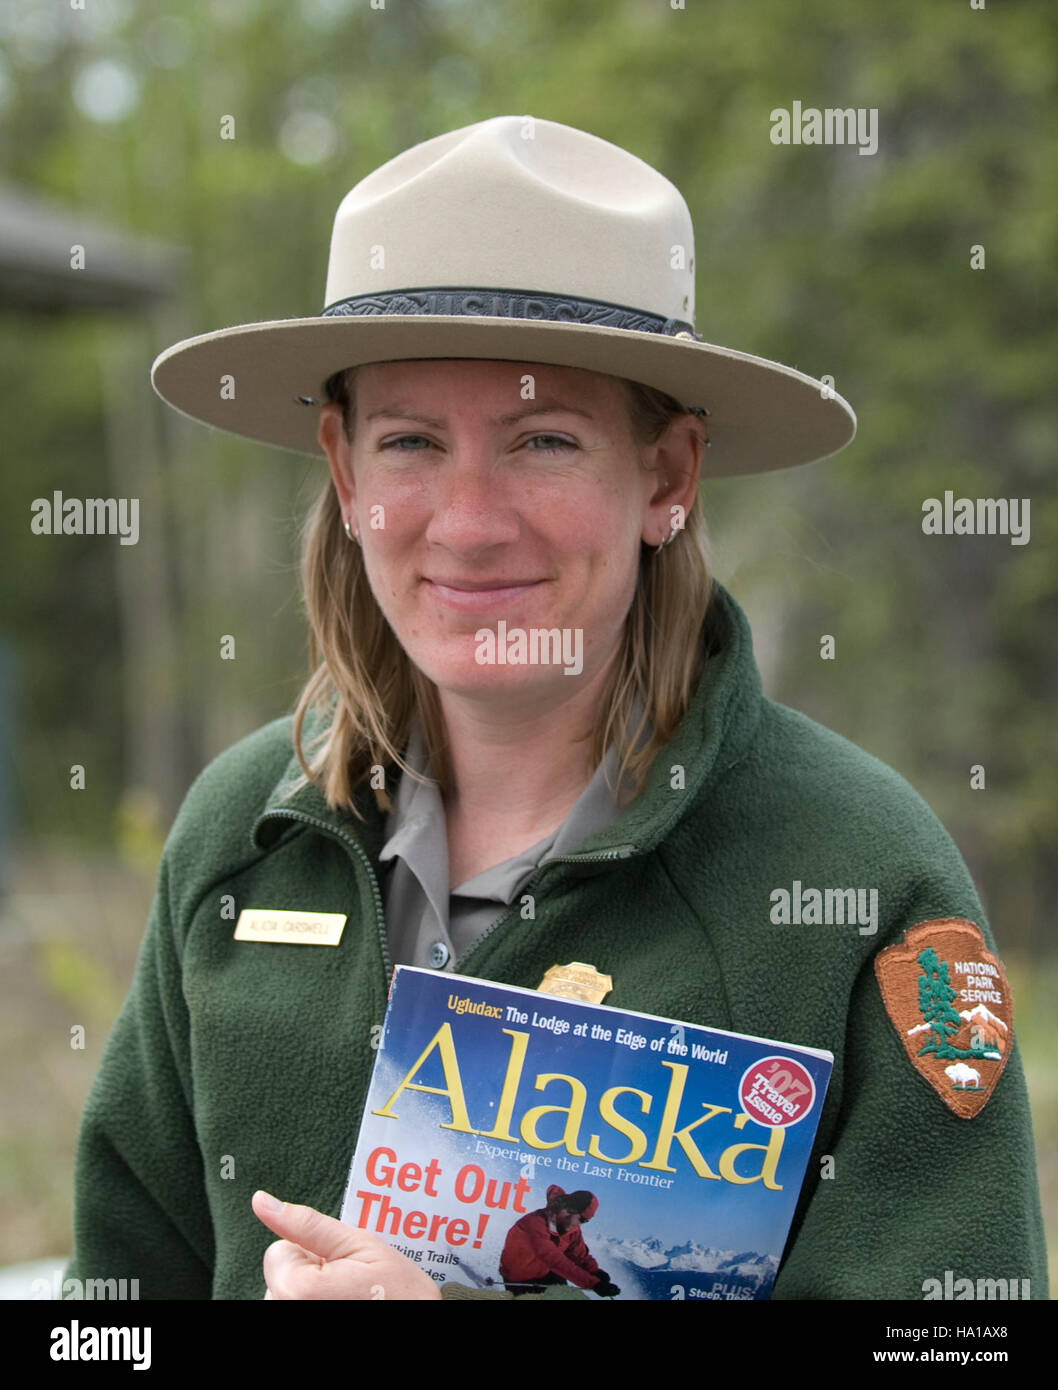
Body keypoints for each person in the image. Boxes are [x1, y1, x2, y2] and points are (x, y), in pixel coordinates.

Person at [63, 115, 1047, 1302]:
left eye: (541, 440)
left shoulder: (856, 871)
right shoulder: (241, 840)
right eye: (411, 442)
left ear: (666, 476)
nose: (469, 523)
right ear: (343, 469)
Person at [499, 1186, 618, 1297]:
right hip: (518, 1278)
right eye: (582, 1219)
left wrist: (594, 1271)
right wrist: (593, 1284)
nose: (580, 1225)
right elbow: (552, 1259)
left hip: (547, 1273)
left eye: (585, 1221)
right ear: (570, 1210)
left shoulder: (572, 1229)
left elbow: (579, 1255)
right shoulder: (534, 1223)